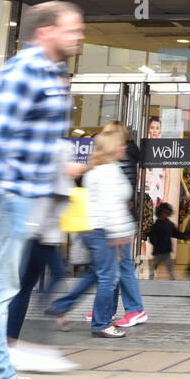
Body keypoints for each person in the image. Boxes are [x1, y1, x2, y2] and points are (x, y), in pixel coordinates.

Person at [0, 0, 83, 379]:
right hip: (6, 195)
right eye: (72, 29)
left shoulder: (51, 73)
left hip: (23, 200)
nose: (80, 35)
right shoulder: (25, 70)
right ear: (46, 31)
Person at [3, 137, 79, 372]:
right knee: (42, 282)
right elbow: (50, 197)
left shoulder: (50, 153)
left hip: (41, 233)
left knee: (26, 287)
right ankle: (24, 341)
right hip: (39, 234)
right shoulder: (52, 153)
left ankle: (13, 342)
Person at [50, 125, 133, 338]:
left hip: (93, 229)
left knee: (96, 274)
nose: (125, 147)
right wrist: (118, 234)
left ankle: (62, 304)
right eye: (121, 144)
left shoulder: (96, 170)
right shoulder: (109, 172)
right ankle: (102, 323)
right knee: (109, 278)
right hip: (104, 231)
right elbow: (111, 206)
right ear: (114, 148)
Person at [106, 121, 148, 327]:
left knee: (121, 266)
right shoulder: (121, 157)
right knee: (113, 265)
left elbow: (126, 190)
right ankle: (107, 308)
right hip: (117, 218)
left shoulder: (123, 157)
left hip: (119, 218)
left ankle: (134, 309)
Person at [148, 202, 190, 279]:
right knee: (155, 264)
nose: (164, 215)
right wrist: (155, 243)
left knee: (169, 265)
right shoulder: (156, 225)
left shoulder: (170, 225)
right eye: (163, 213)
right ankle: (151, 277)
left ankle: (172, 278)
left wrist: (184, 236)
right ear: (159, 213)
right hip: (158, 250)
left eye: (166, 213)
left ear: (168, 213)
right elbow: (151, 236)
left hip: (167, 250)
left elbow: (176, 234)